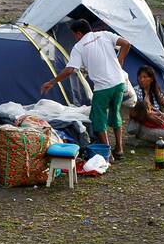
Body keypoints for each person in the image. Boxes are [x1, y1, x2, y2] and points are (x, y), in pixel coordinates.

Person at [41, 18, 130, 158]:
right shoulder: (104, 34)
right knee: (115, 112)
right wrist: (119, 61)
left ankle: (108, 154)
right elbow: (126, 44)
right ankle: (119, 149)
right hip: (119, 82)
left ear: (78, 34)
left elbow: (70, 69)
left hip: (103, 87)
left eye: (74, 35)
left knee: (98, 118)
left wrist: (52, 82)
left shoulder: (79, 46)